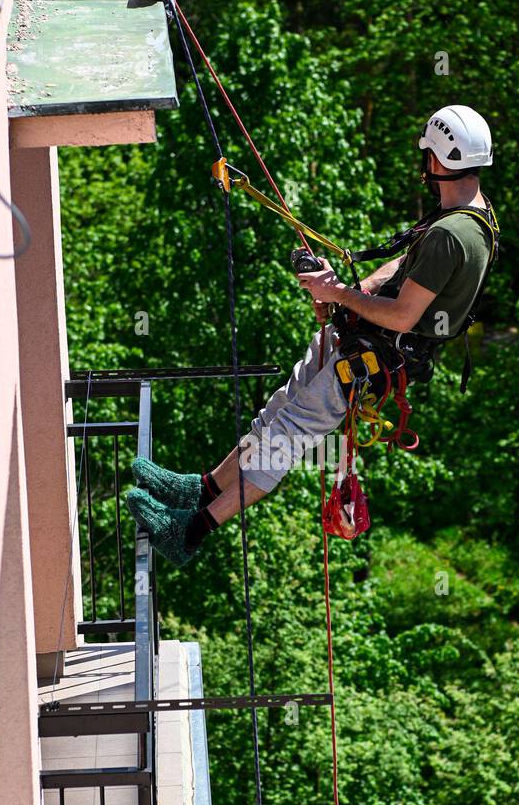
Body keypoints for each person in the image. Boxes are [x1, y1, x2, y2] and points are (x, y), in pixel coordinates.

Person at [126, 104, 497, 565]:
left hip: (375, 358)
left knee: (286, 436)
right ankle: (204, 488)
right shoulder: (469, 216)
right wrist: (346, 293)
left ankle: (190, 532)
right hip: (362, 342)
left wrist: (338, 293)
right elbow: (401, 267)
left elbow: (403, 315)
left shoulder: (451, 235)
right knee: (278, 412)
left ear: (437, 162)